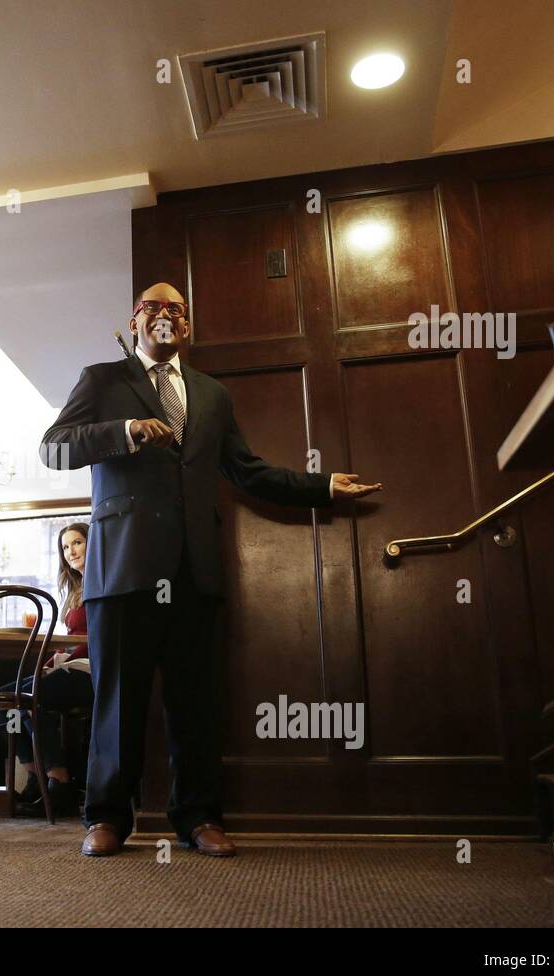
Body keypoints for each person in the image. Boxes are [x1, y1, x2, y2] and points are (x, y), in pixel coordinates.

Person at [40, 282, 380, 858]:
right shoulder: (103, 379)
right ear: (136, 318)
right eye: (154, 307)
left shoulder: (212, 394)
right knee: (116, 701)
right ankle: (105, 819)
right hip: (121, 568)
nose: (165, 315)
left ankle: (198, 817)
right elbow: (54, 448)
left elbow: (246, 471)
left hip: (194, 570)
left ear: (187, 326)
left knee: (195, 703)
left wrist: (320, 485)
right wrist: (125, 432)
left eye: (177, 309)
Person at [0, 522, 93, 817]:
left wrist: (58, 662)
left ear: (94, 543)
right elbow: (73, 642)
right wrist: (53, 662)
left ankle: (59, 780)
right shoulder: (75, 589)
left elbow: (98, 640)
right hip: (72, 667)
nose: (71, 551)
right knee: (0, 700)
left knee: (29, 697)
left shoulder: (102, 582)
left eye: (77, 543)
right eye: (65, 547)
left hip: (94, 671)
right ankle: (36, 776)